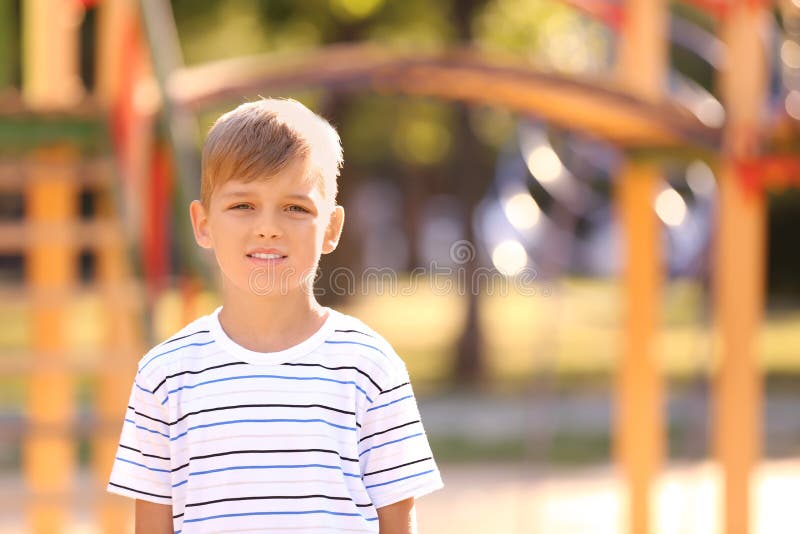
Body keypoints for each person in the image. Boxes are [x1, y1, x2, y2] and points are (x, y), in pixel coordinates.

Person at [107, 98, 443, 533]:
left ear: (332, 228)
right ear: (203, 223)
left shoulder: (370, 367)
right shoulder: (165, 376)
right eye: (243, 205)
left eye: (296, 208)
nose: (268, 227)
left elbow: (398, 522)